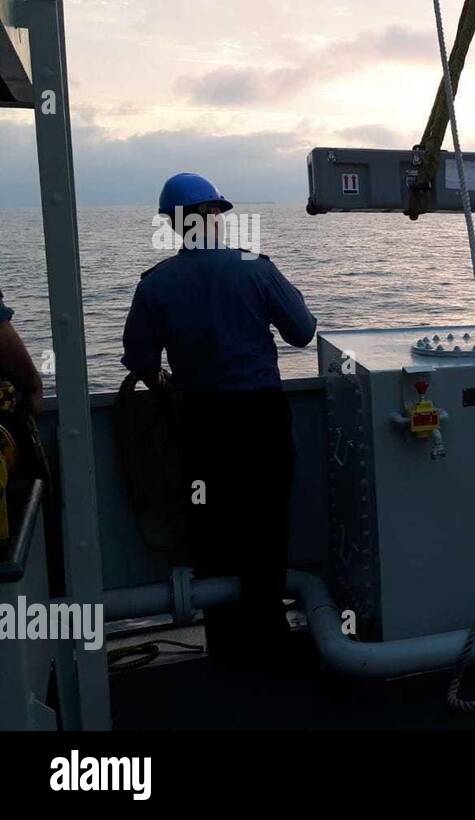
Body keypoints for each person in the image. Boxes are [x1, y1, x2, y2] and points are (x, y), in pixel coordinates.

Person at [122, 172, 317, 660]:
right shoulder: (256, 268)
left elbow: (141, 360)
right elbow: (302, 332)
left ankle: (224, 642)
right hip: (260, 420)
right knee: (266, 525)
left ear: (171, 224)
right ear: (213, 217)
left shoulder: (156, 285)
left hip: (200, 424)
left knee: (210, 530)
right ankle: (268, 636)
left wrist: (162, 381)